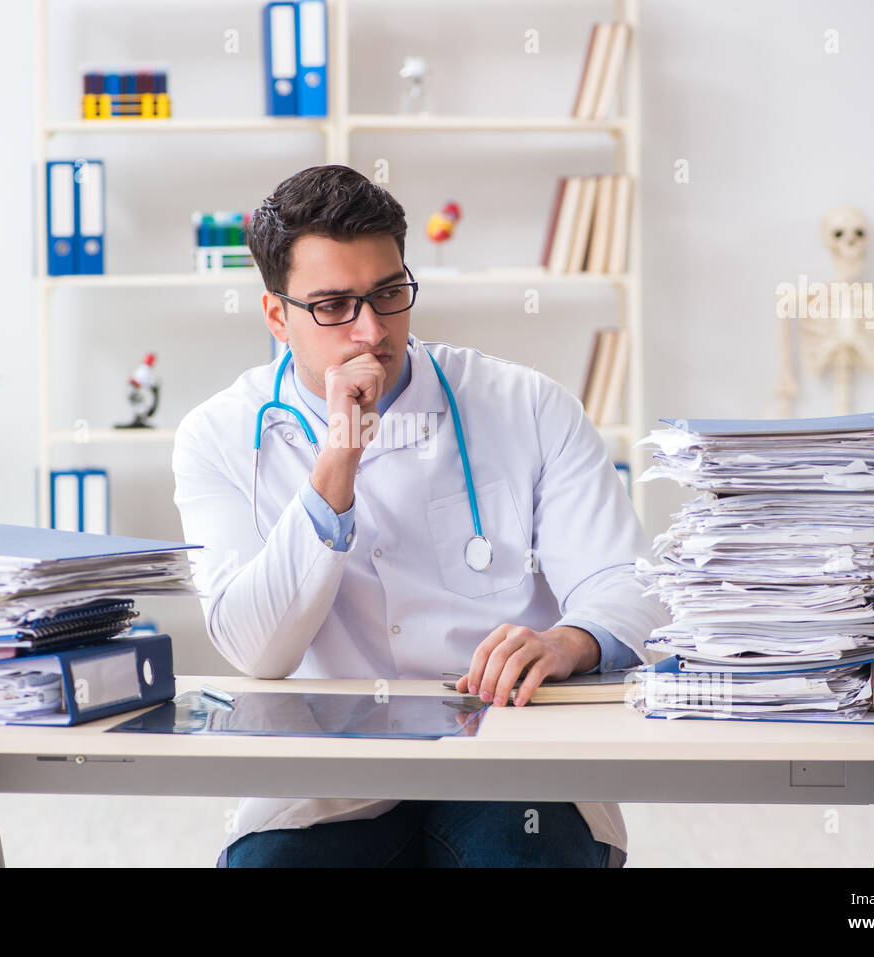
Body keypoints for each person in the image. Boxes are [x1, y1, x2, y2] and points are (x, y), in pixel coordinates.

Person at [171, 165, 670, 867]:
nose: (371, 330)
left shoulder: (527, 403)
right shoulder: (218, 436)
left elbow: (630, 582)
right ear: (277, 316)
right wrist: (336, 463)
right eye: (334, 305)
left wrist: (571, 640)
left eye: (388, 293)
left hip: (508, 747)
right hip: (325, 771)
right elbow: (257, 648)